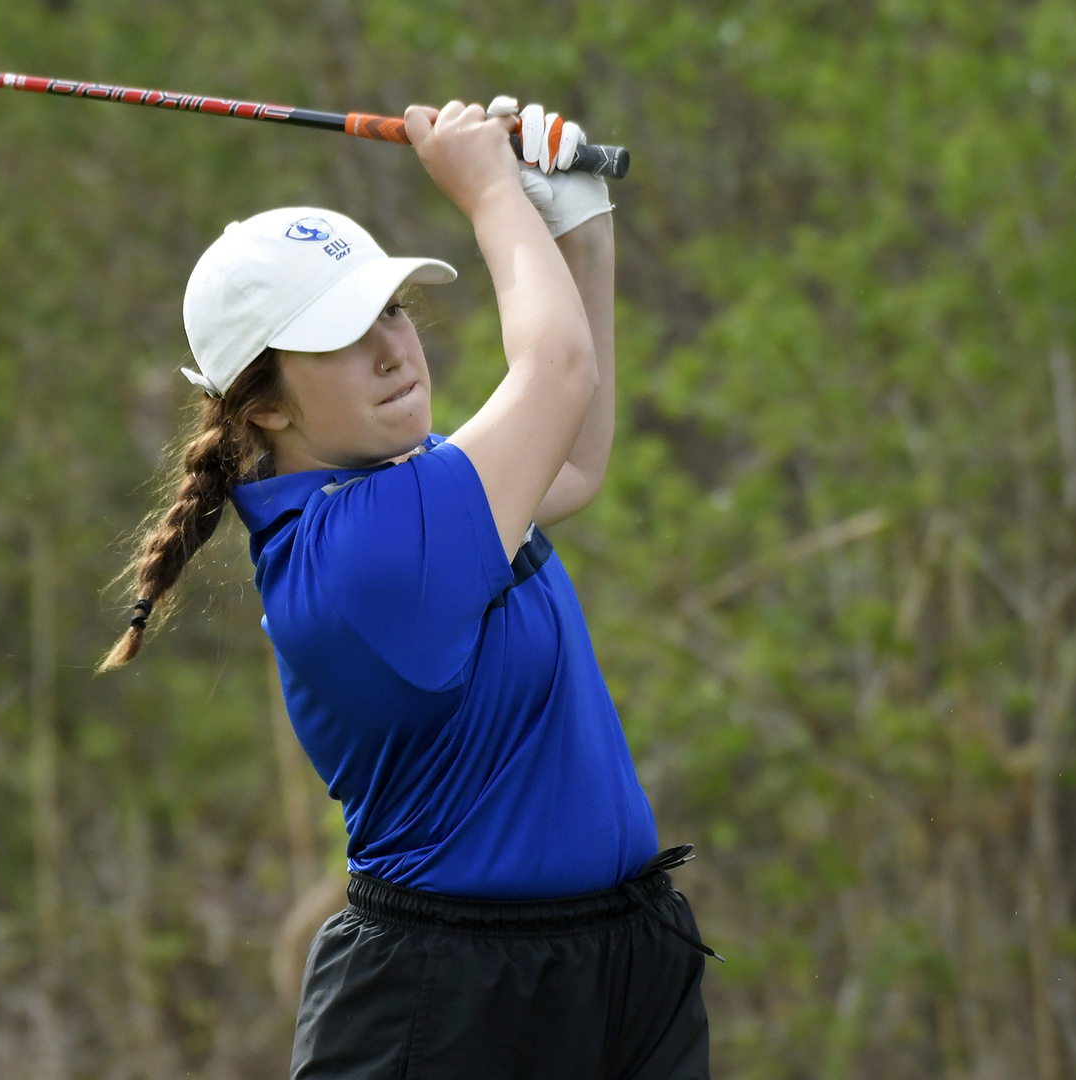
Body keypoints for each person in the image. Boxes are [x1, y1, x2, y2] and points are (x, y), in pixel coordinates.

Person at [98, 97, 717, 1079]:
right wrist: (485, 192)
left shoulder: (403, 480)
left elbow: (573, 459)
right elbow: (555, 372)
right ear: (261, 405)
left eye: (391, 309)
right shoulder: (360, 549)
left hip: (620, 963)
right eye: (345, 335)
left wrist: (577, 225)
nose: (394, 346)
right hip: (456, 1005)